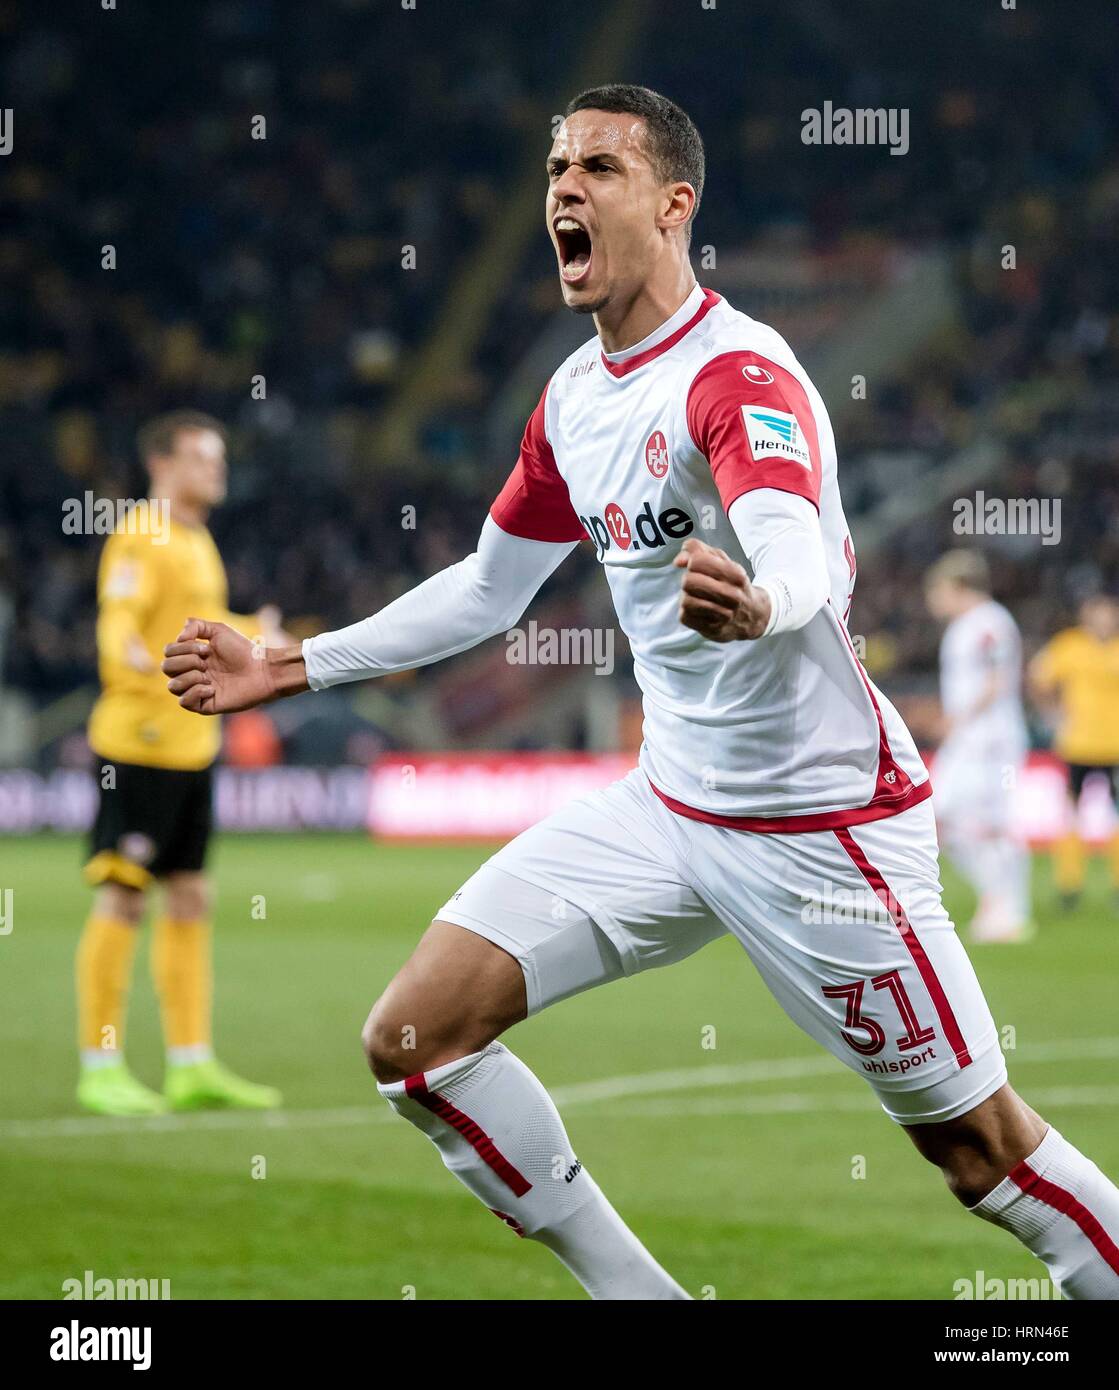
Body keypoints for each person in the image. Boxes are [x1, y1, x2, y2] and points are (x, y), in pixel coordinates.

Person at [163, 88, 1119, 1299]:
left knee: (982, 1156)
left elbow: (798, 547)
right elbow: (487, 589)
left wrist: (763, 600)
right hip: (670, 807)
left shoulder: (733, 373)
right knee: (415, 1043)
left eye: (599, 167)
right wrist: (290, 663)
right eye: (556, 166)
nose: (563, 187)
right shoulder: (574, 398)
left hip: (818, 830)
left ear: (675, 205)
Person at [78, 410, 285, 1116]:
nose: (216, 469)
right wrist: (131, 660)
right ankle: (100, 1065)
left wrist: (259, 635)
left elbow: (202, 628)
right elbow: (121, 625)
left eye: (219, 457)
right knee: (124, 896)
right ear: (162, 464)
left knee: (191, 895)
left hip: (194, 743)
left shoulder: (195, 537)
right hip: (140, 745)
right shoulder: (143, 533)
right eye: (202, 457)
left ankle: (190, 1063)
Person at [924, 550, 1031, 942]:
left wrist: (959, 718)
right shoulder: (968, 625)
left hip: (990, 740)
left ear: (957, 587)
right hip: (968, 738)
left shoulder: (989, 623)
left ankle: (1007, 908)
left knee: (989, 823)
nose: (932, 600)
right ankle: (999, 899)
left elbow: (996, 680)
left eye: (936, 590)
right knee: (942, 815)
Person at [1030, 593, 1119, 908]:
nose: (1104, 620)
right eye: (1099, 613)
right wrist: (1052, 715)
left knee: (1114, 818)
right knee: (1071, 814)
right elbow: (1038, 676)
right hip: (1078, 745)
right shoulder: (1070, 646)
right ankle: (1070, 884)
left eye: (1109, 614)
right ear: (1086, 615)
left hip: (1114, 747)